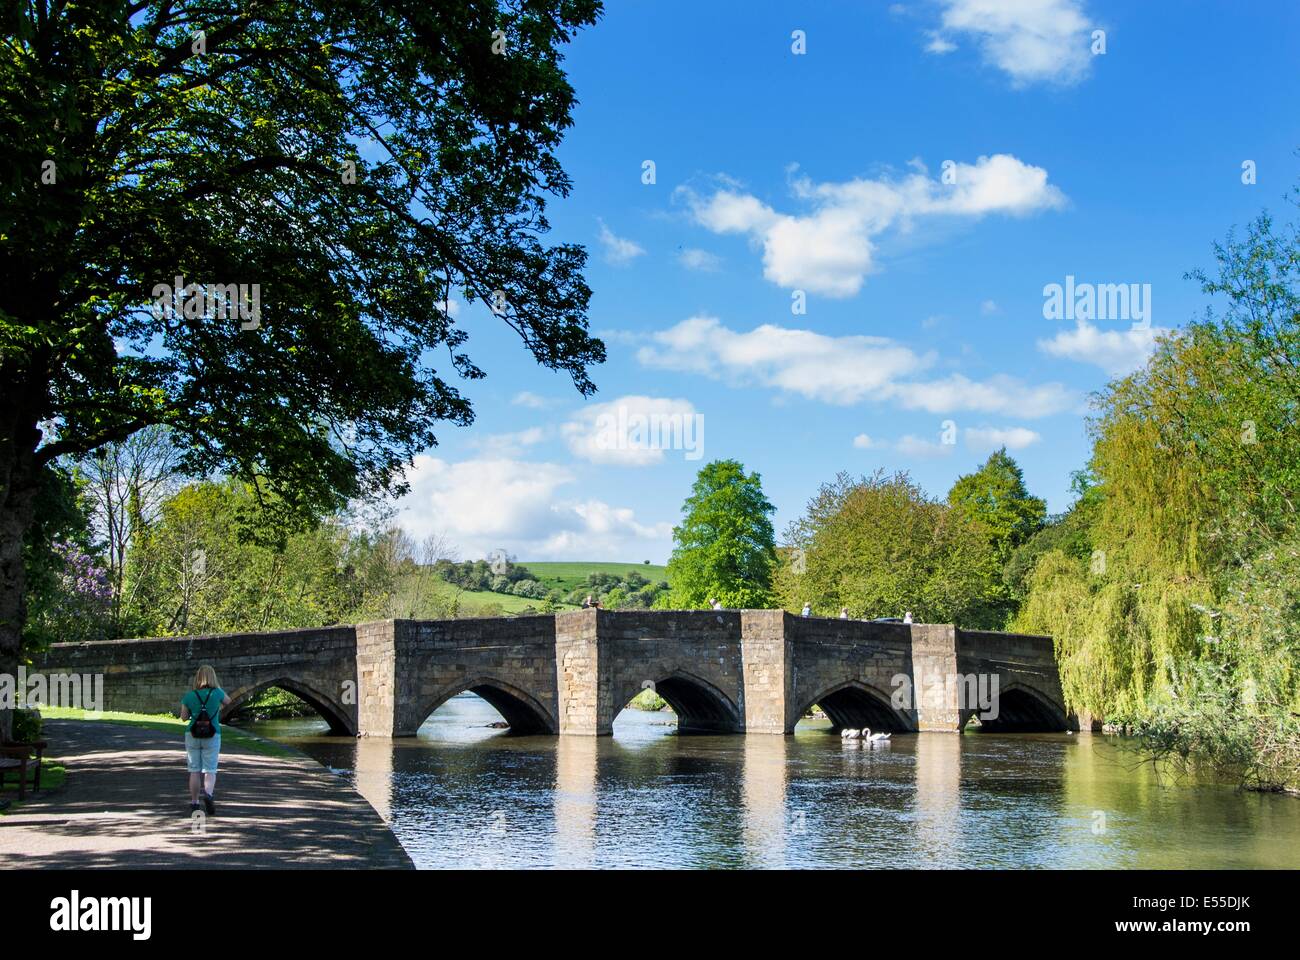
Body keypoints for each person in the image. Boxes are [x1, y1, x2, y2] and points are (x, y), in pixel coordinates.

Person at [180, 664, 231, 816]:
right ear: (213, 677)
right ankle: (208, 794)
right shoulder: (217, 693)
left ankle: (195, 803)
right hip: (212, 733)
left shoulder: (190, 696)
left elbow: (183, 717)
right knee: (210, 769)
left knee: (194, 770)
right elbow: (228, 701)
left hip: (192, 734)